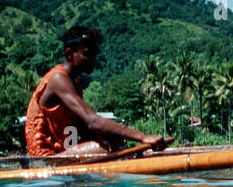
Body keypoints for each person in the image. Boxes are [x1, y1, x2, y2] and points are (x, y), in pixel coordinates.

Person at [25, 26, 171, 157]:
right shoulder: (58, 79)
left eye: (95, 54)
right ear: (69, 54)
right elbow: (92, 121)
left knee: (113, 143)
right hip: (44, 158)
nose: (93, 59)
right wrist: (143, 136)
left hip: (61, 152)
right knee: (106, 149)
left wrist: (106, 137)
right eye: (88, 54)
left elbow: (82, 128)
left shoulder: (74, 82)